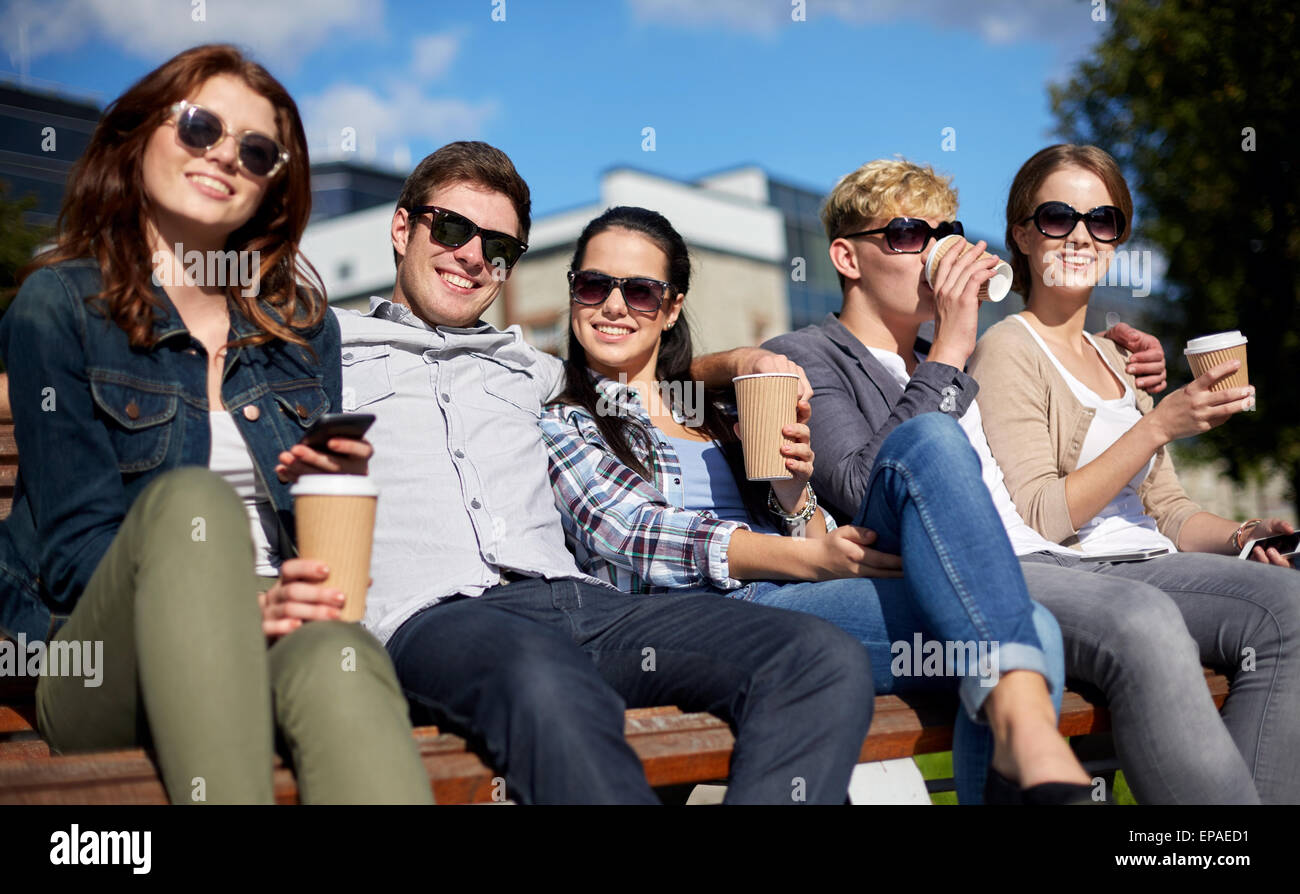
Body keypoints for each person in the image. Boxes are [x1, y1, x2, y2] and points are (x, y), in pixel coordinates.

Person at [334, 141, 875, 805]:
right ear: (401, 228)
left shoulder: (530, 368)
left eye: (498, 246)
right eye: (451, 229)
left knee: (820, 658)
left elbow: (637, 368)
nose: (473, 256)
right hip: (438, 617)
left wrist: (733, 362)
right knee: (543, 677)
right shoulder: (325, 351)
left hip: (584, 604)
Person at [538, 205, 1094, 804]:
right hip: (691, 623)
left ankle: (1026, 738)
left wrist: (792, 493)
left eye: (642, 291)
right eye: (594, 286)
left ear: (672, 307)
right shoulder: (565, 419)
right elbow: (631, 535)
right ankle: (1033, 745)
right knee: (940, 467)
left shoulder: (717, 411)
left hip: (787, 599)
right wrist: (809, 558)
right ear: (573, 293)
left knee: (1007, 583)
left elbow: (808, 533)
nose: (615, 307)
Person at [764, 156, 1277, 804]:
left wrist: (1114, 352)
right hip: (900, 582)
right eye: (904, 236)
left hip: (1004, 573)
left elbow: (1055, 367)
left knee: (1026, 617)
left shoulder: (955, 357)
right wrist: (951, 343)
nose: (931, 252)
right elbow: (862, 484)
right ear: (845, 257)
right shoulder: (806, 354)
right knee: (950, 474)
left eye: (943, 232)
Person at [0, 45, 432, 805]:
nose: (225, 156)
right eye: (201, 127)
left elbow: (316, 550)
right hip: (99, 657)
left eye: (256, 150)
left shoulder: (301, 330)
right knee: (193, 505)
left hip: (278, 632)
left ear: (271, 186)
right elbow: (74, 558)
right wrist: (239, 612)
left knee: (340, 658)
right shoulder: (60, 309)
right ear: (138, 136)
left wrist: (321, 504)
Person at [967, 143, 1300, 803]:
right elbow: (1042, 516)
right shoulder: (1006, 347)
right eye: (1058, 217)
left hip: (1143, 564)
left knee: (1289, 605)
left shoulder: (1121, 361)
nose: (1081, 236)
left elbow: (1168, 512)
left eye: (1104, 220)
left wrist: (1244, 534)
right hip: (1057, 571)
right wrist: (1158, 424)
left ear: (1119, 237)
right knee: (1147, 618)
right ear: (1023, 233)